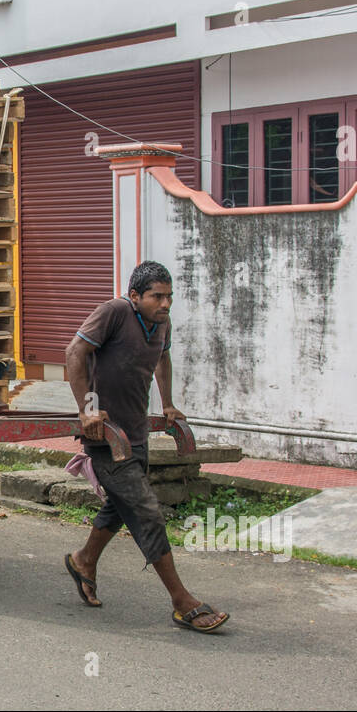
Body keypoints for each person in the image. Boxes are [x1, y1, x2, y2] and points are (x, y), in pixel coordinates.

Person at [62, 261, 229, 633]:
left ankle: (84, 560)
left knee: (121, 506)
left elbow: (162, 358)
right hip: (105, 436)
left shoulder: (161, 323)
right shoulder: (115, 312)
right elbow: (75, 352)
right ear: (135, 295)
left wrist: (167, 404)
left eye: (169, 296)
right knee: (147, 512)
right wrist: (87, 410)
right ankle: (182, 600)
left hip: (135, 433)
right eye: (157, 296)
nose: (165, 303)